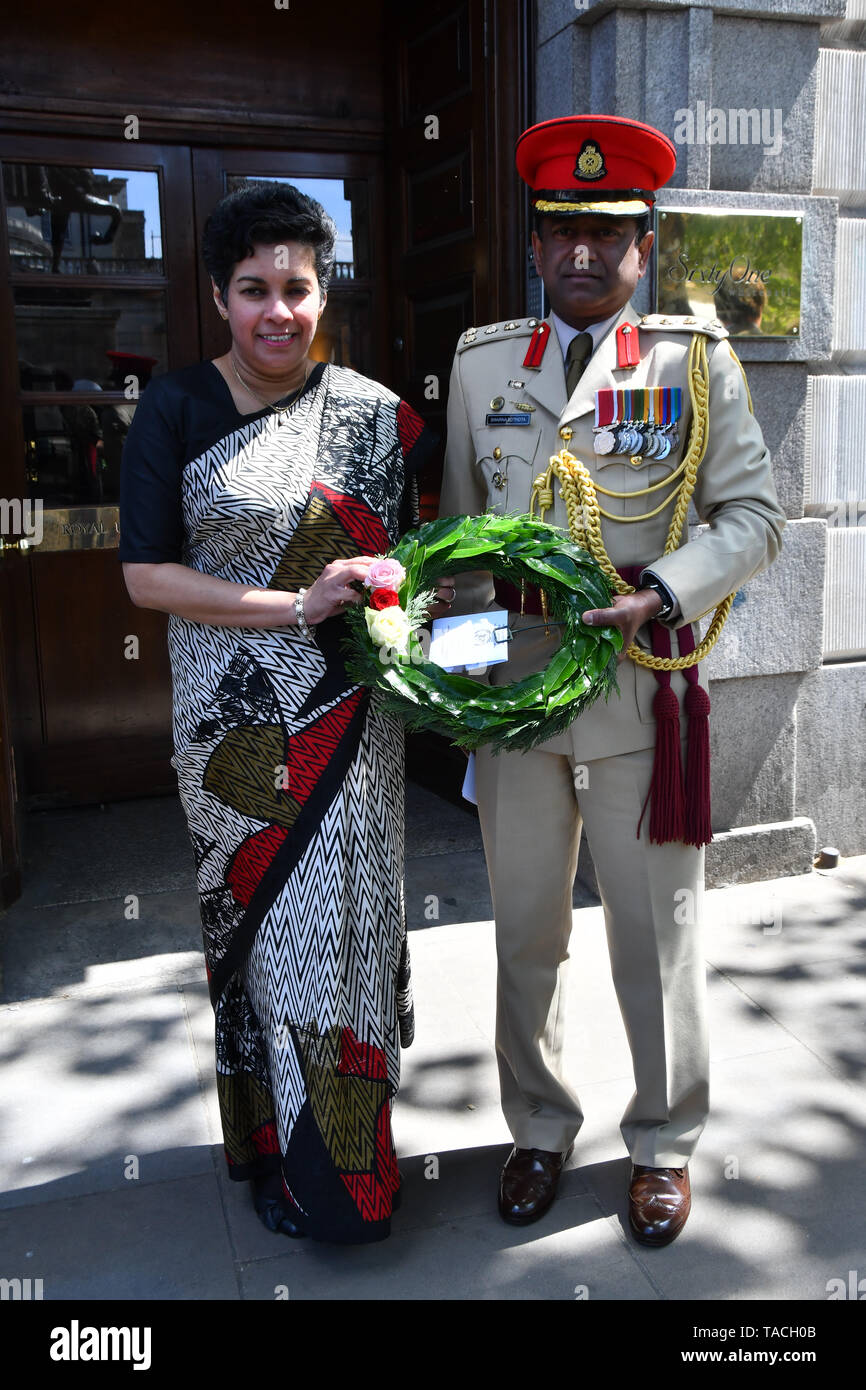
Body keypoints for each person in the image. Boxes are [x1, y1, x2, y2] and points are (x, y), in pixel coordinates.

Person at [438, 115, 786, 1246]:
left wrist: (665, 591)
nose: (579, 252)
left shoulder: (692, 361)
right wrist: (450, 677)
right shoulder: (484, 361)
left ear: (645, 241)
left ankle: (662, 1142)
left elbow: (753, 518)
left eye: (603, 232)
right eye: (558, 231)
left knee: (656, 935)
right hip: (516, 704)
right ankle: (536, 1127)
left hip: (641, 693)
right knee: (524, 934)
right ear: (534, 245)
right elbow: (454, 543)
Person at [119, 181, 443, 1244]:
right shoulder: (173, 407)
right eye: (253, 288)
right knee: (258, 937)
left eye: (296, 289)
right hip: (233, 733)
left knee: (345, 934)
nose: (277, 312)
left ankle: (349, 1175)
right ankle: (273, 1148)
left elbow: (422, 563)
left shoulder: (376, 414)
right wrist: (289, 603)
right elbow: (146, 577)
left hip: (351, 724)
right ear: (219, 295)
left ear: (322, 293)